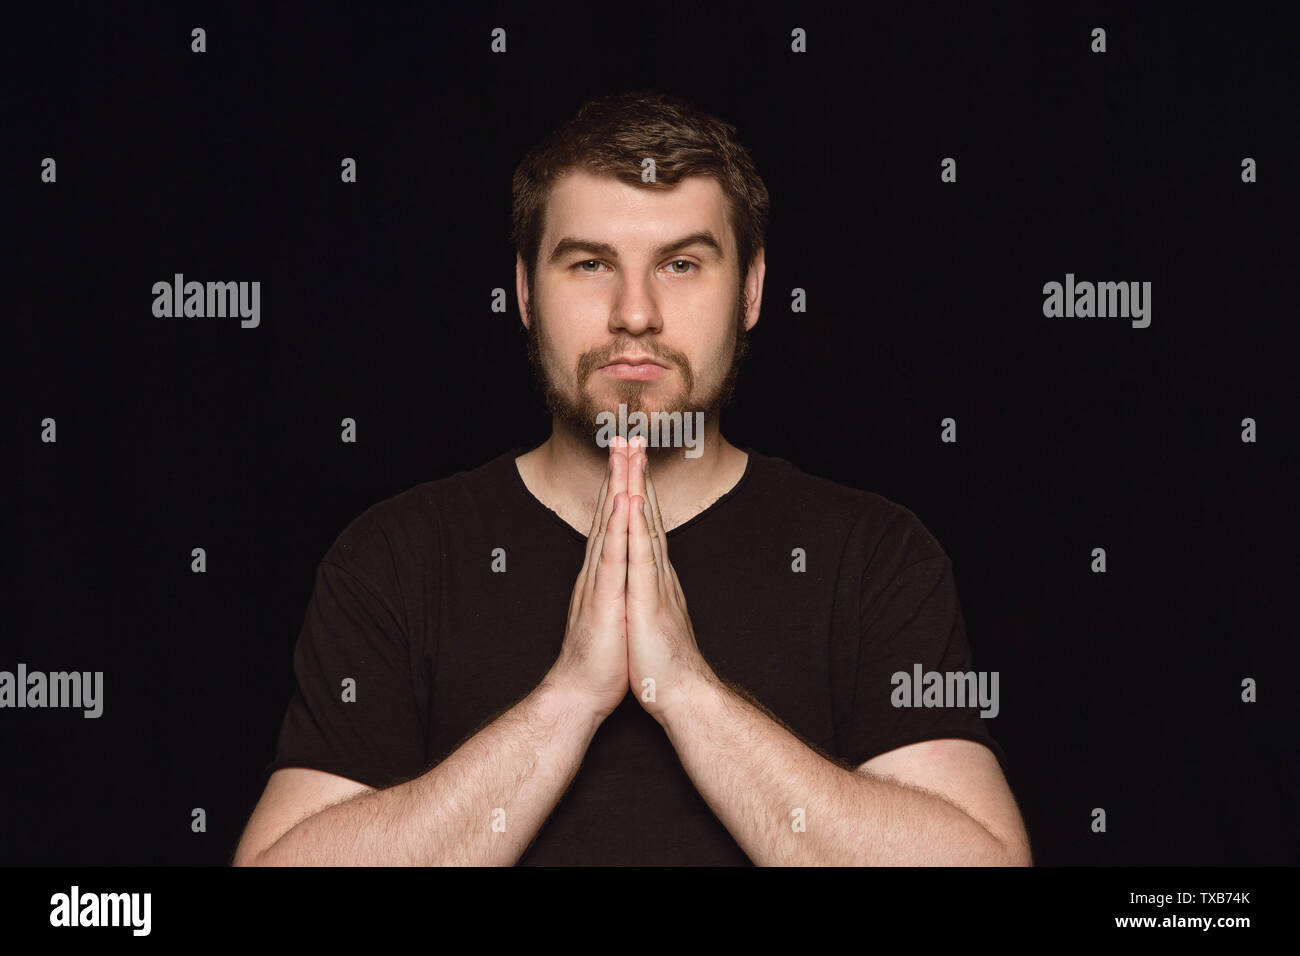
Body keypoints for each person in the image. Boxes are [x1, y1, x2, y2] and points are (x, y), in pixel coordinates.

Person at [233, 90, 1032, 866]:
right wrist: (568, 699)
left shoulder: (875, 557)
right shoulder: (394, 559)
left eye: (682, 263)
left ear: (751, 290)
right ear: (521, 292)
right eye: (589, 264)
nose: (636, 313)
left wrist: (685, 691)